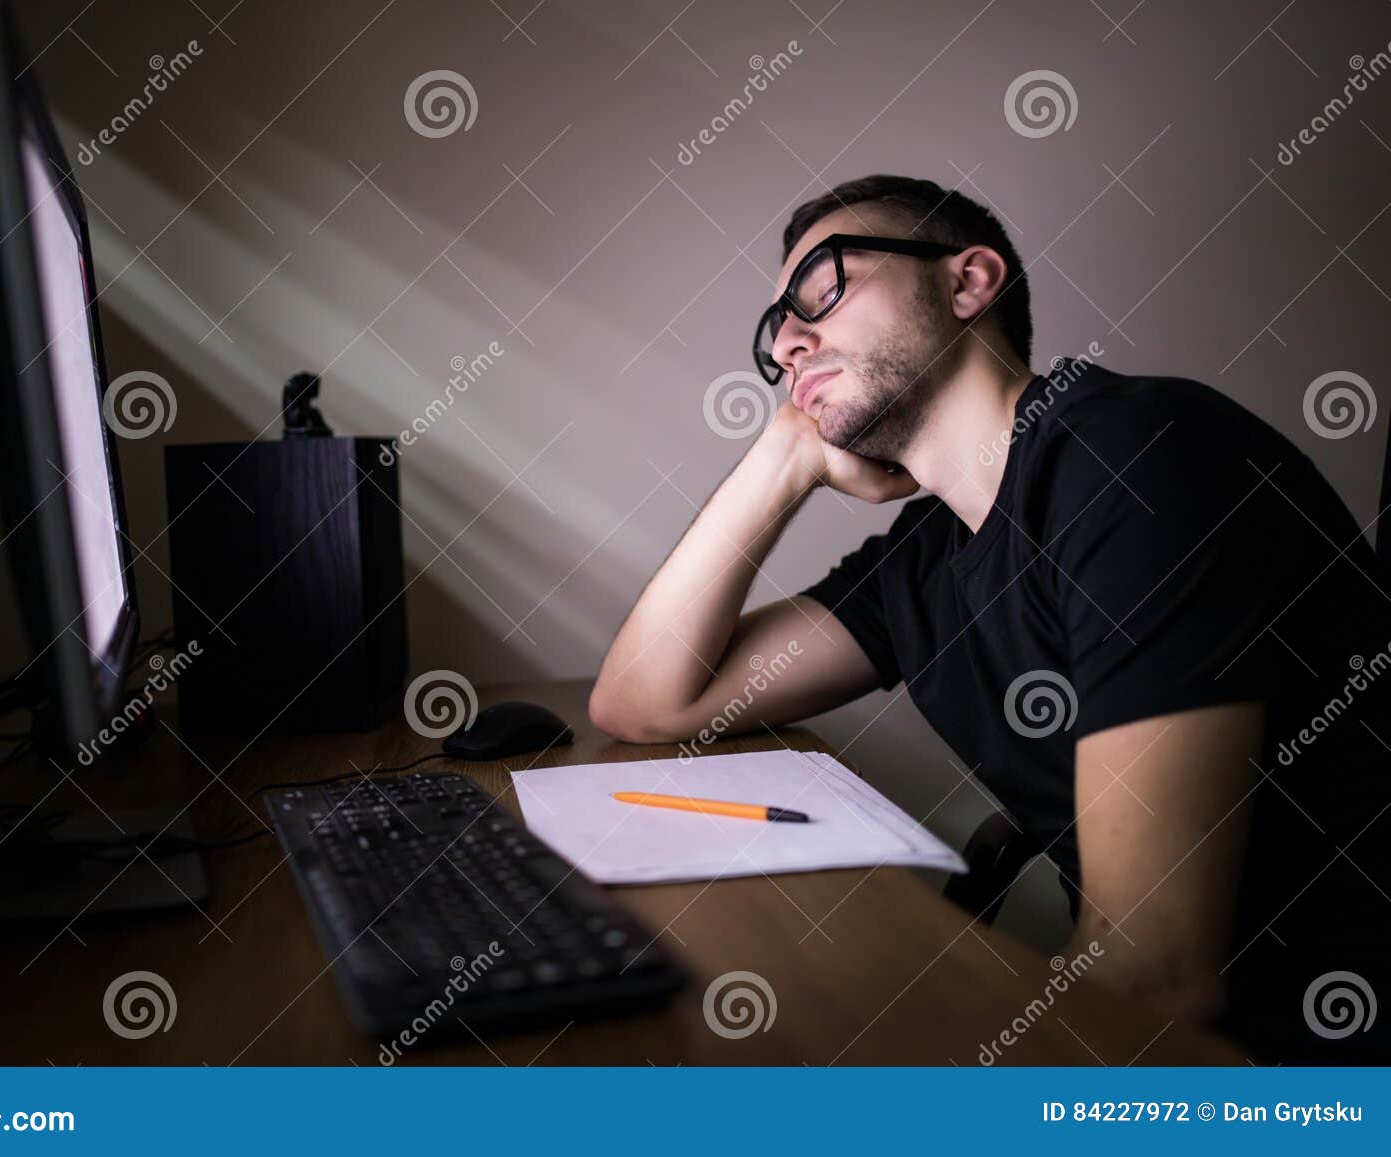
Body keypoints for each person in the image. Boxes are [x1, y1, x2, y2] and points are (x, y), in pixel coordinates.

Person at [589, 174, 1391, 1063]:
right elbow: (643, 703)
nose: (786, 343)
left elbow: (1156, 977)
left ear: (969, 281)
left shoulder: (1138, 460)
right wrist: (782, 454)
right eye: (775, 328)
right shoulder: (926, 554)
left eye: (822, 286)